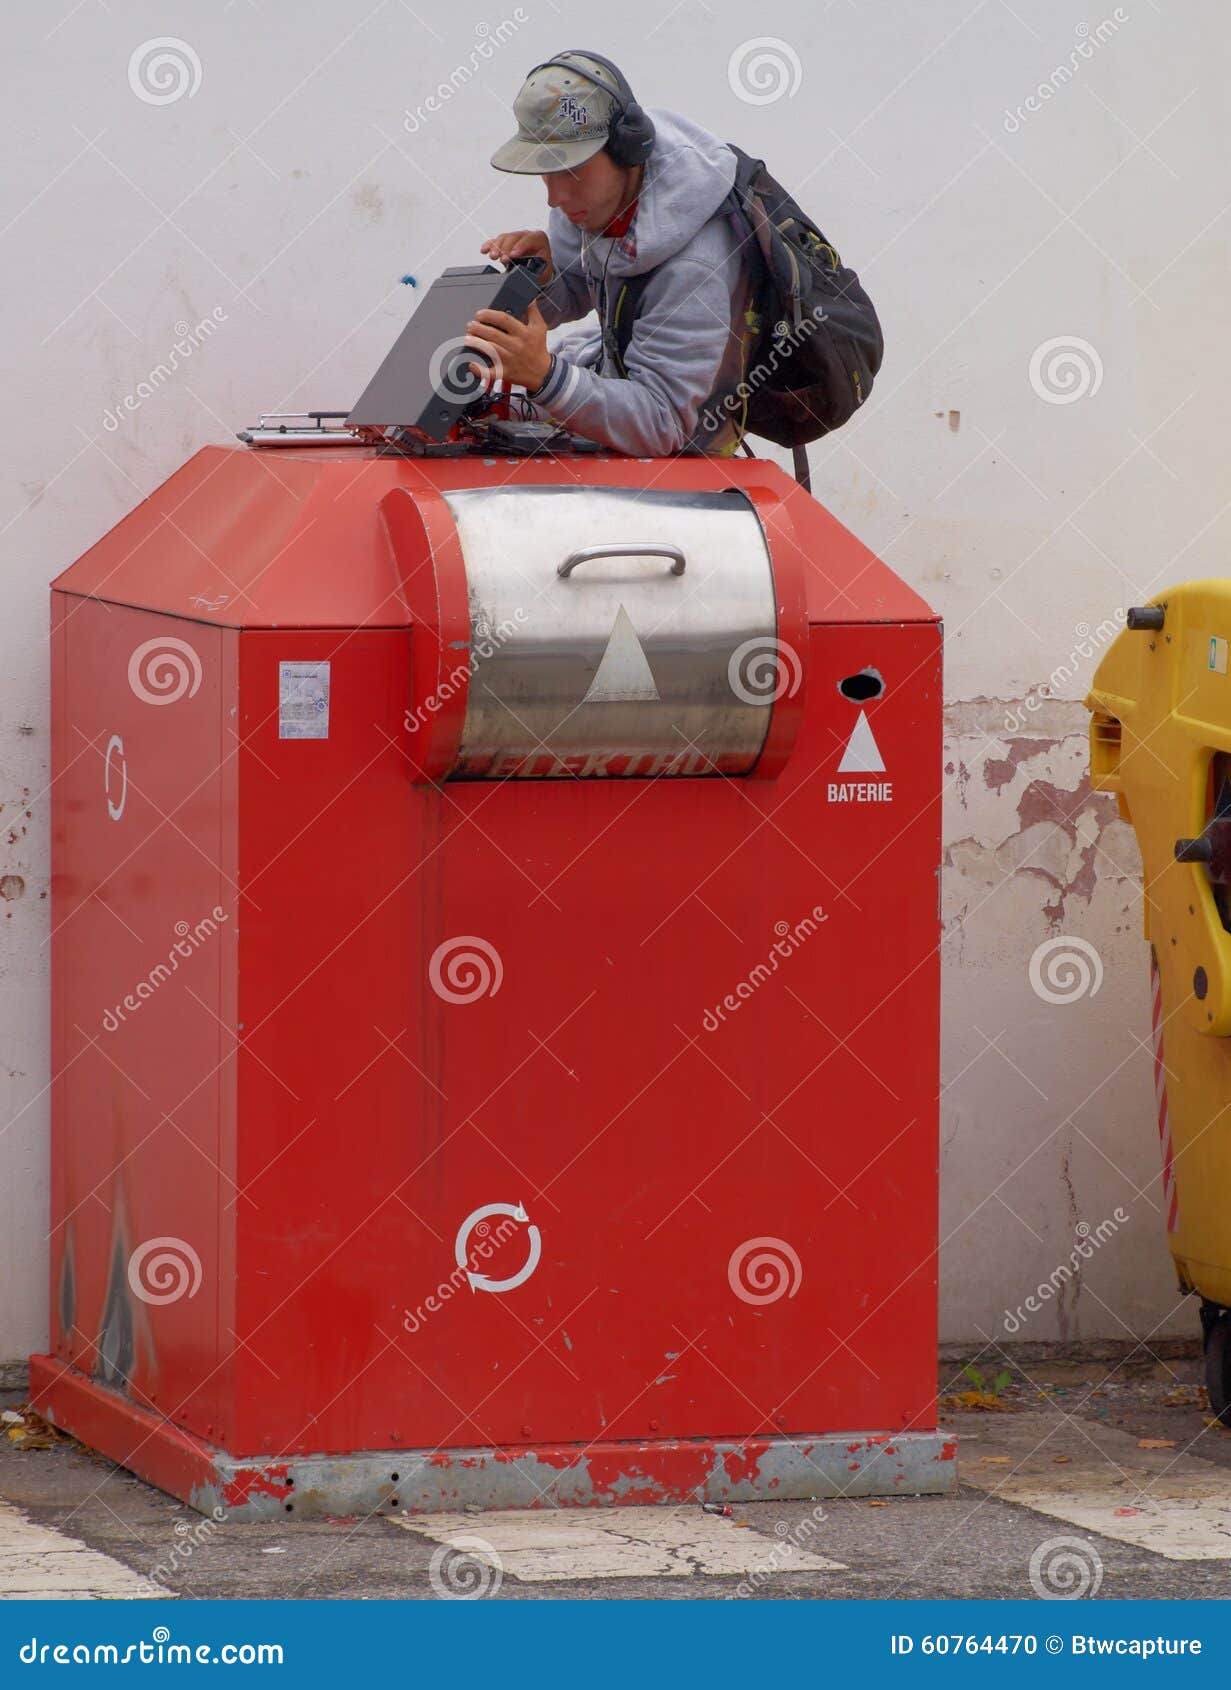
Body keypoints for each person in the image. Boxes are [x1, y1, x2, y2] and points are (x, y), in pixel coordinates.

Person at [469, 50, 758, 457]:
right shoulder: (594, 204)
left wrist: (545, 376)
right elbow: (580, 289)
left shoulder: (697, 265)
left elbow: (664, 424)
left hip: (688, 463)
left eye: (570, 171)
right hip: (622, 421)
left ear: (627, 149)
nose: (555, 197)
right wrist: (542, 280)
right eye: (546, 173)